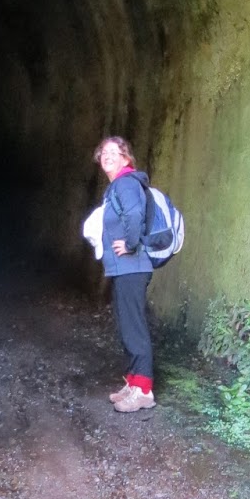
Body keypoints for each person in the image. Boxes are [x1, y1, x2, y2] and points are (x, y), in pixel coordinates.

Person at [92, 136, 156, 413]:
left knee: (135, 328)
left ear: (125, 159)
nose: (106, 155)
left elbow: (134, 214)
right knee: (127, 326)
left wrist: (129, 244)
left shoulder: (127, 183)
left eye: (113, 152)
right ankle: (133, 382)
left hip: (133, 266)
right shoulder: (117, 186)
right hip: (124, 268)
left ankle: (143, 391)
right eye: (103, 152)